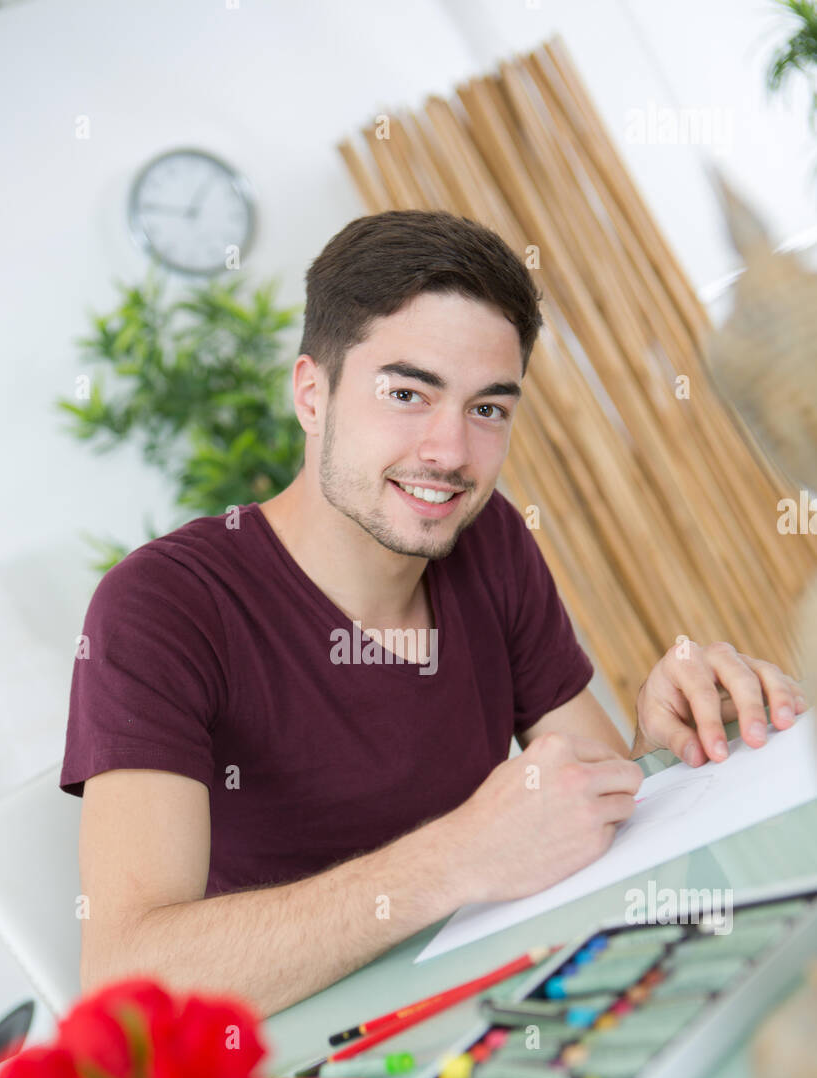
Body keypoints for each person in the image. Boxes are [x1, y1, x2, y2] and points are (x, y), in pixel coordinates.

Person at [60, 210, 806, 1017]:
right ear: (313, 394)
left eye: (488, 408)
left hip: (502, 1010)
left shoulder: (488, 539)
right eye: (408, 393)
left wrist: (661, 748)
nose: (450, 453)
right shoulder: (162, 607)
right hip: (295, 1066)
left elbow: (588, 798)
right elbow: (124, 988)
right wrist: (455, 858)